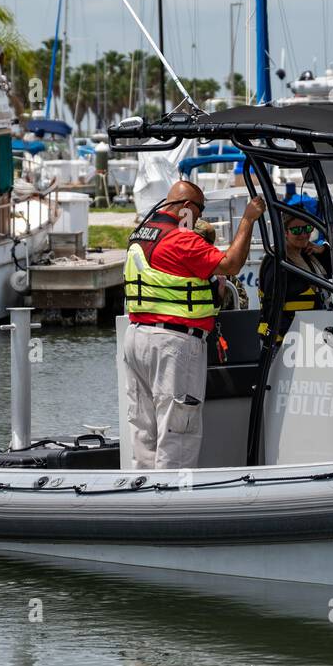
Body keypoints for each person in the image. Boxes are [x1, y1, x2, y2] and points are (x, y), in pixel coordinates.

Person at [123, 181, 265, 469]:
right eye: (199, 213)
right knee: (178, 428)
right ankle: (174, 500)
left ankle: (147, 495)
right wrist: (248, 219)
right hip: (173, 344)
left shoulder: (142, 234)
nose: (199, 220)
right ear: (187, 207)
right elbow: (231, 264)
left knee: (144, 427)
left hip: (137, 338)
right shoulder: (180, 239)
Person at [258, 194, 333, 342]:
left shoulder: (310, 254)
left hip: (313, 336)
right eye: (297, 230)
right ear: (285, 233)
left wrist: (323, 251)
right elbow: (270, 306)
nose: (304, 234)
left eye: (307, 228)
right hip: (284, 341)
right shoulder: (276, 261)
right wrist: (295, 335)